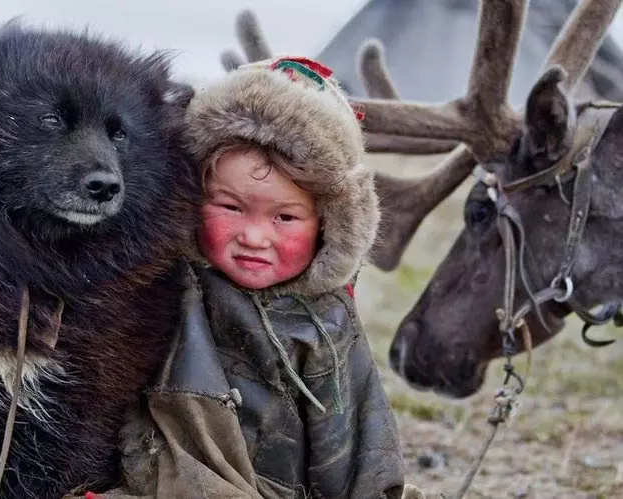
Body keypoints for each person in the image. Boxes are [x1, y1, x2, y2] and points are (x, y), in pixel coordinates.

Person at [89, 56, 411, 499]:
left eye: (285, 217)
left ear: (329, 224)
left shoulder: (327, 323)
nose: (255, 236)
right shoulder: (161, 287)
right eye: (230, 207)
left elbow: (358, 449)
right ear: (191, 197)